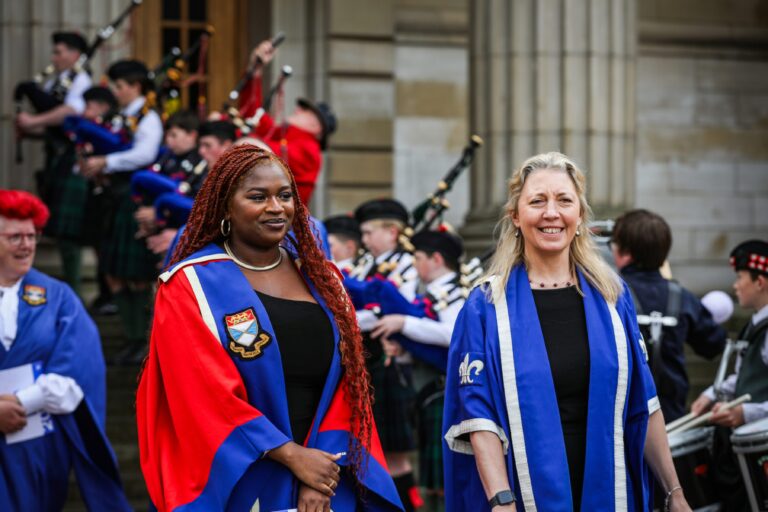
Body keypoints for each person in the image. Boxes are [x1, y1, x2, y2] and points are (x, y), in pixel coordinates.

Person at [136, 145, 402, 511]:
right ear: (225, 207)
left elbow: (347, 384)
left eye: (285, 196)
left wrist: (321, 472)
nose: (276, 208)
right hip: (242, 473)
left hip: (327, 476)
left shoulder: (323, 280)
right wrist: (292, 456)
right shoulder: (190, 285)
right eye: (258, 197)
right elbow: (202, 393)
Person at [442, 152, 691, 511]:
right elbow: (478, 415)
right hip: (522, 493)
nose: (551, 213)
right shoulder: (486, 306)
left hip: (609, 489)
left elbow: (644, 402)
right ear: (515, 216)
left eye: (564, 200)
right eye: (537, 201)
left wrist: (674, 493)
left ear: (580, 215)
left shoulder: (612, 297)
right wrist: (501, 499)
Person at [0, 189, 130, 511]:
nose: (27, 245)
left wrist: (20, 403)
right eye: (15, 237)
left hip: (37, 450)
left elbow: (78, 371)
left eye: (32, 236)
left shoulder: (58, 297)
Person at [372, 228, 466, 509]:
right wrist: (402, 350)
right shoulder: (429, 294)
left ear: (436, 259)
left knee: (446, 478)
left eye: (419, 258)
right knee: (433, 480)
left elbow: (453, 335)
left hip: (446, 391)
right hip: (428, 392)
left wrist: (404, 324)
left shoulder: (455, 293)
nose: (414, 264)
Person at [80, 59, 164, 366]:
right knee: (113, 271)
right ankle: (131, 338)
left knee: (137, 276)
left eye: (119, 86)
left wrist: (107, 162)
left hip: (134, 197)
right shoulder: (120, 117)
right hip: (114, 197)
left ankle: (143, 342)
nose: (115, 92)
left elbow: (145, 154)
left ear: (136, 86)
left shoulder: (148, 118)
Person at [611, 209, 727, 422]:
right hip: (670, 416)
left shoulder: (608, 295)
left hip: (621, 417)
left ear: (625, 252)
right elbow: (713, 344)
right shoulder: (681, 297)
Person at [344, 198, 421, 510]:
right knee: (369, 448)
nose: (363, 241)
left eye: (368, 233)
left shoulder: (407, 264)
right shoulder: (365, 265)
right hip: (366, 363)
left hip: (390, 367)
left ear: (391, 232)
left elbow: (390, 311)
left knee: (394, 453)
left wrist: (349, 318)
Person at [689, 239, 768, 511]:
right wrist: (712, 394)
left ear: (760, 282)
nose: (735, 285)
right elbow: (745, 375)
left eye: (740, 277)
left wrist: (747, 413)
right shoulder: (755, 324)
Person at [238, 39, 337, 205]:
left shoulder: (310, 150)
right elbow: (252, 115)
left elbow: (259, 150)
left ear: (316, 127)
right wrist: (255, 70)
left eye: (305, 110)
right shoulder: (284, 134)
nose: (297, 109)